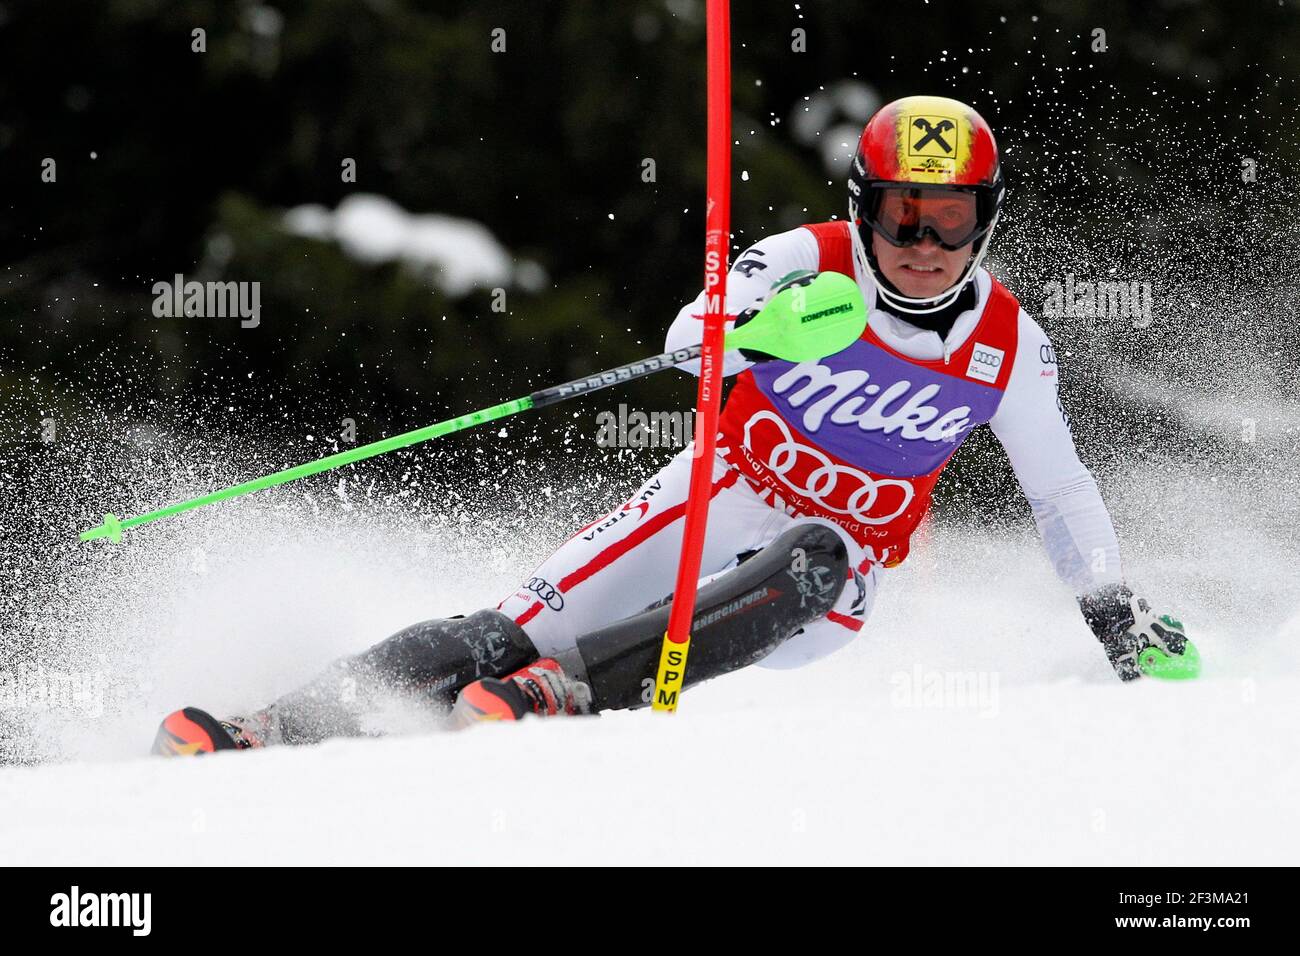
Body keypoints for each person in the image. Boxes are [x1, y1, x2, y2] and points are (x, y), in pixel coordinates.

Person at [153, 95, 1197, 756]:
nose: (922, 243)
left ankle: (571, 694)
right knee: (505, 629)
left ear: (987, 217)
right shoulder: (809, 257)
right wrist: (752, 329)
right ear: (862, 205)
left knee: (817, 555)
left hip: (827, 574)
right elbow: (691, 328)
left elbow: (1059, 489)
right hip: (717, 486)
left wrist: (1110, 607)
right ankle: (277, 722)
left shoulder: (1010, 346)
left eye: (952, 217)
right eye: (899, 214)